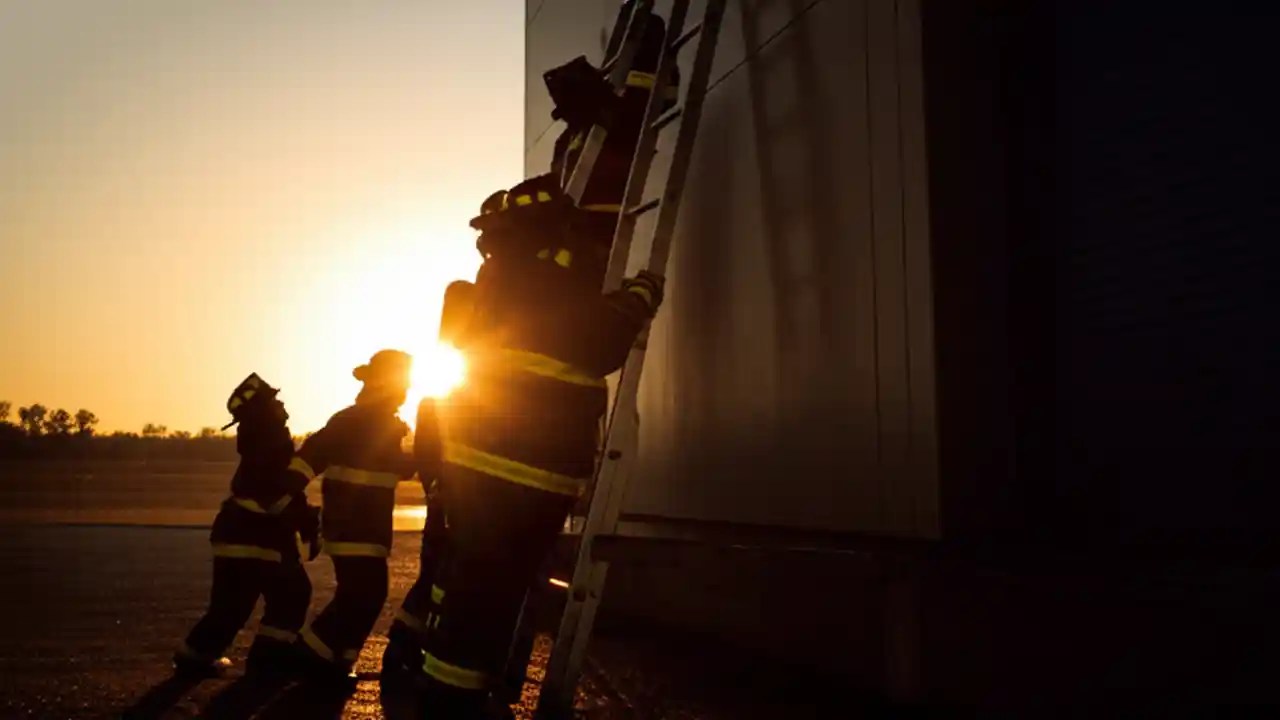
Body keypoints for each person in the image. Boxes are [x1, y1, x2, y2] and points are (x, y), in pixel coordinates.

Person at [416, 175, 665, 716]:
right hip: (532, 473)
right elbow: (599, 343)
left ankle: (454, 692)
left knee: (479, 588)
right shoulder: (547, 278)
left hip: (482, 470)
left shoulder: (492, 282)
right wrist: (640, 295)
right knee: (491, 593)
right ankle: (453, 704)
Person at [173, 373, 319, 678]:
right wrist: (307, 521)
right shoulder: (274, 440)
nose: (282, 404)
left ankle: (194, 656)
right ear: (263, 409)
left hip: (235, 531)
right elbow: (282, 491)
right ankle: (268, 661)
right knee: (292, 594)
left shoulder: (258, 438)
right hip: (261, 537)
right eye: (274, 400)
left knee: (230, 607)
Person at [288, 350, 417, 688]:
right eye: (402, 382)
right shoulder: (359, 421)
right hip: (355, 526)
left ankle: (338, 661)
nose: (406, 389)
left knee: (363, 595)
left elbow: (396, 466)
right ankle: (309, 651)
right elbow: (309, 458)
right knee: (365, 594)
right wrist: (287, 495)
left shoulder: (374, 421)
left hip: (363, 527)